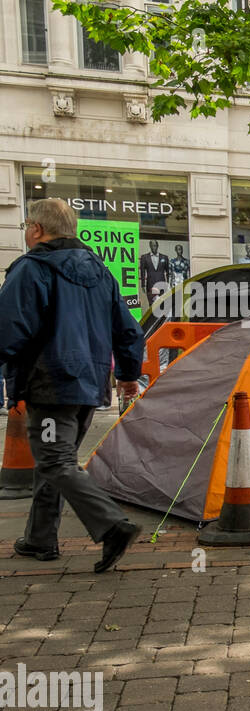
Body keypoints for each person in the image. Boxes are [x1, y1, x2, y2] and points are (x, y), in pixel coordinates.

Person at [0, 198, 144, 572]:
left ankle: (113, 524)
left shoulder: (31, 269)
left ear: (36, 229)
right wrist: (128, 375)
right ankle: (39, 539)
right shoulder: (100, 272)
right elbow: (128, 330)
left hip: (51, 383)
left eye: (27, 225)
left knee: (54, 459)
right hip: (90, 384)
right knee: (54, 461)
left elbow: (9, 330)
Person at [140, 239, 170, 305]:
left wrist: (168, 283)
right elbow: (142, 272)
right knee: (152, 304)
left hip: (162, 284)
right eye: (152, 246)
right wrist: (143, 284)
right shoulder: (144, 257)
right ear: (150, 246)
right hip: (151, 284)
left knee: (162, 304)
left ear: (158, 246)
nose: (154, 247)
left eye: (155, 245)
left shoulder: (164, 257)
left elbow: (168, 272)